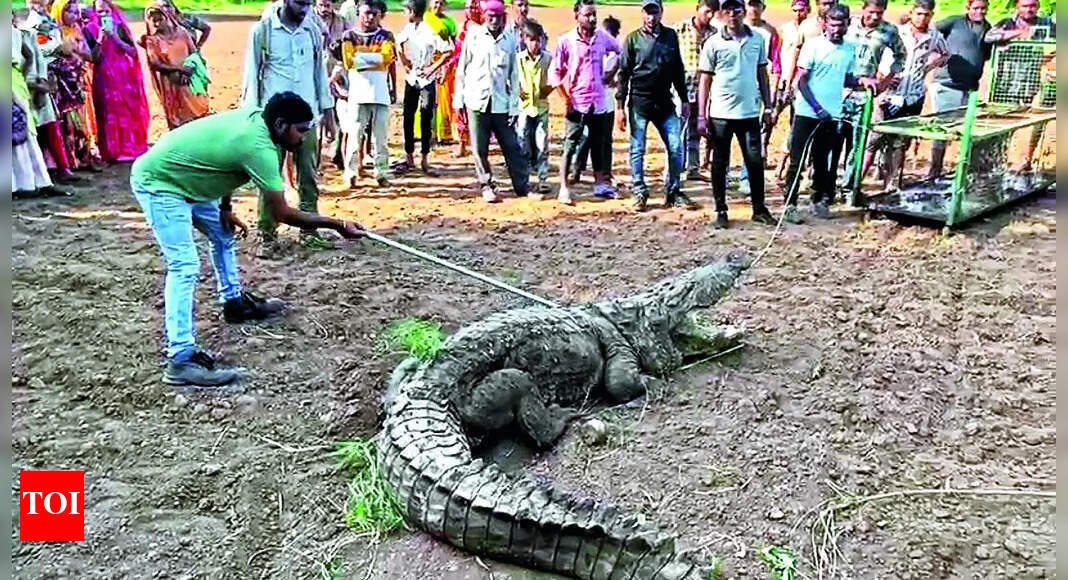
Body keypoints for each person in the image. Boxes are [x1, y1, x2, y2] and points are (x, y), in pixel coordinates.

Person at [130, 92, 364, 387]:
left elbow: (225, 163)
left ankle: (234, 303)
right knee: (184, 266)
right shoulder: (258, 147)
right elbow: (283, 214)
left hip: (189, 180)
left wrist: (225, 208)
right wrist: (338, 224)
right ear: (281, 125)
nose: (304, 138)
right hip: (160, 183)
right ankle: (181, 358)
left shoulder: (258, 120)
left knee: (223, 235)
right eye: (301, 130)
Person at [242, 0, 338, 246]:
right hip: (273, 122)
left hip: (308, 118)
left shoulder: (312, 31)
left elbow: (319, 73)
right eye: (299, 3)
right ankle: (267, 234)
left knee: (308, 176)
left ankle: (309, 231)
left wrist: (327, 112)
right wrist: (251, 116)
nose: (304, 9)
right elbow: (251, 77)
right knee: (269, 176)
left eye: (308, 3)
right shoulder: (263, 31)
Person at [784, 3, 877, 222]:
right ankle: (790, 205)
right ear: (825, 24)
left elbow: (844, 78)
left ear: (847, 24)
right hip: (808, 112)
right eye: (832, 25)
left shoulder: (849, 49)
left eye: (841, 25)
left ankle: (818, 200)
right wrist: (817, 108)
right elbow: (802, 81)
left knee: (821, 160)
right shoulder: (813, 45)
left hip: (833, 113)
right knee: (798, 160)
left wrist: (863, 81)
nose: (836, 29)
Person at [697, 0, 775, 229]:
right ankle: (721, 210)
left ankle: (759, 209)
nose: (733, 15)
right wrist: (702, 116)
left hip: (749, 111)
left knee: (754, 161)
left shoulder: (758, 39)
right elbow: (705, 80)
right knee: (720, 162)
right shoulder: (713, 43)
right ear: (722, 13)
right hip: (721, 113)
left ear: (744, 11)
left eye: (737, 10)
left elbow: (762, 73)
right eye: (728, 10)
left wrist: (768, 106)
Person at [861, 0, 947, 191]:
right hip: (890, 95)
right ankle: (854, 183)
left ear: (931, 15)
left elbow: (945, 54)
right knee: (872, 141)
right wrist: (882, 77)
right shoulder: (896, 32)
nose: (922, 18)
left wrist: (928, 67)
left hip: (913, 96)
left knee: (899, 144)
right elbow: (876, 54)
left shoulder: (934, 36)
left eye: (926, 15)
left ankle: (890, 185)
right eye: (918, 14)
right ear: (911, 13)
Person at [617, 0, 695, 211]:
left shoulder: (670, 36)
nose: (651, 17)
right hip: (640, 102)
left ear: (662, 12)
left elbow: (678, 69)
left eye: (655, 12)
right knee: (637, 148)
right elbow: (623, 74)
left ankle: (674, 191)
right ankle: (639, 190)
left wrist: (684, 99)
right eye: (648, 12)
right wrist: (619, 107)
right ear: (642, 13)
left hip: (665, 102)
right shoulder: (632, 39)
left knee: (676, 148)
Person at [452, 0, 529, 203]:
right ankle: (487, 185)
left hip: (501, 102)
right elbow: (462, 69)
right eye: (490, 17)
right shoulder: (474, 36)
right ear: (484, 16)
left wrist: (514, 106)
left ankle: (522, 186)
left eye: (498, 17)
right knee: (480, 147)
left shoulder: (509, 39)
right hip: (476, 101)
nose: (494, 21)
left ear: (504, 17)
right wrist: (459, 100)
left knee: (512, 145)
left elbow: (514, 75)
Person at [552, 0, 622, 203]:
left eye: (594, 15)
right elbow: (556, 73)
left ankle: (600, 184)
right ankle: (564, 187)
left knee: (598, 143)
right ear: (577, 16)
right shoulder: (566, 41)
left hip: (598, 100)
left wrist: (611, 73)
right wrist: (565, 98)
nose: (592, 18)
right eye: (587, 15)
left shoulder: (602, 37)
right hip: (577, 100)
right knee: (571, 143)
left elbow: (620, 51)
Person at [836, 0, 906, 194]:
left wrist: (886, 81)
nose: (875, 17)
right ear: (863, 8)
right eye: (872, 12)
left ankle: (849, 187)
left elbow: (901, 55)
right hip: (838, 91)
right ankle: (825, 186)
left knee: (858, 144)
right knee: (833, 140)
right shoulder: (848, 26)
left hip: (864, 94)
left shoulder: (889, 31)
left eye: (880, 13)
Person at [927, 0, 990, 179]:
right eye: (976, 8)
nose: (979, 11)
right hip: (947, 83)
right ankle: (934, 171)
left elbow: (985, 54)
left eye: (983, 8)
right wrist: (936, 55)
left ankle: (962, 171)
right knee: (944, 127)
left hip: (970, 87)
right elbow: (930, 32)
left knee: (965, 129)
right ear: (967, 8)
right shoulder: (954, 22)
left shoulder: (987, 28)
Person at [336, 0, 396, 187]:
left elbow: (387, 58)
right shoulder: (349, 35)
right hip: (357, 94)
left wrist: (360, 57)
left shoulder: (386, 35)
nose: (369, 17)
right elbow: (348, 61)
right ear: (358, 13)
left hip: (380, 94)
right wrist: (374, 59)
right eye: (366, 13)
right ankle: (351, 172)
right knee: (354, 136)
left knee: (381, 138)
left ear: (381, 16)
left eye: (374, 14)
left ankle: (381, 172)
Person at [397, 0, 453, 174]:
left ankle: (424, 158)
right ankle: (409, 156)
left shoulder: (430, 31)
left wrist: (431, 68)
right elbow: (398, 43)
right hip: (412, 78)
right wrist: (404, 61)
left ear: (413, 12)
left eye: (406, 10)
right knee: (408, 116)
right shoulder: (409, 28)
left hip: (426, 79)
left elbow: (448, 50)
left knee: (426, 117)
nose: (405, 13)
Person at [567, 14, 621, 189]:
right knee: (584, 137)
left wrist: (612, 75)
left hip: (607, 103)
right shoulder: (592, 46)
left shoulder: (615, 54)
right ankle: (577, 169)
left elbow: (619, 72)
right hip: (587, 100)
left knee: (604, 139)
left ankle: (605, 172)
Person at [143, 0, 210, 130]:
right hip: (171, 82)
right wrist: (179, 69)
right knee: (177, 119)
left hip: (189, 79)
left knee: (197, 114)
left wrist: (189, 68)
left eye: (159, 19)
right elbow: (155, 63)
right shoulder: (152, 41)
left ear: (166, 17)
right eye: (153, 21)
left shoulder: (182, 32)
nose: (156, 24)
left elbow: (193, 52)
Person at [672, 0, 719, 182]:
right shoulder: (680, 29)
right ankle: (677, 167)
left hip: (704, 89)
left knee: (696, 129)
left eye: (712, 13)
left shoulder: (714, 34)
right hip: (682, 88)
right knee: (678, 129)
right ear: (698, 9)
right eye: (706, 11)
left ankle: (693, 168)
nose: (709, 16)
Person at [516, 19, 552, 194]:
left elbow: (556, 76)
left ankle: (543, 177)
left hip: (541, 106)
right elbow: (512, 78)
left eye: (538, 40)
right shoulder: (519, 60)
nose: (535, 44)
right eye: (531, 40)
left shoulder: (547, 59)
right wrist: (517, 90)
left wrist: (549, 88)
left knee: (541, 142)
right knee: (522, 141)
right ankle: (525, 176)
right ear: (524, 39)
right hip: (524, 107)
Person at [424, 0, 459, 145]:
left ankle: (443, 134)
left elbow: (452, 45)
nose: (437, 6)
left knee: (443, 99)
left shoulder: (449, 22)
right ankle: (426, 132)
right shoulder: (425, 18)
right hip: (427, 61)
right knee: (427, 98)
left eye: (440, 3)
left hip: (444, 62)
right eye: (435, 2)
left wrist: (446, 66)